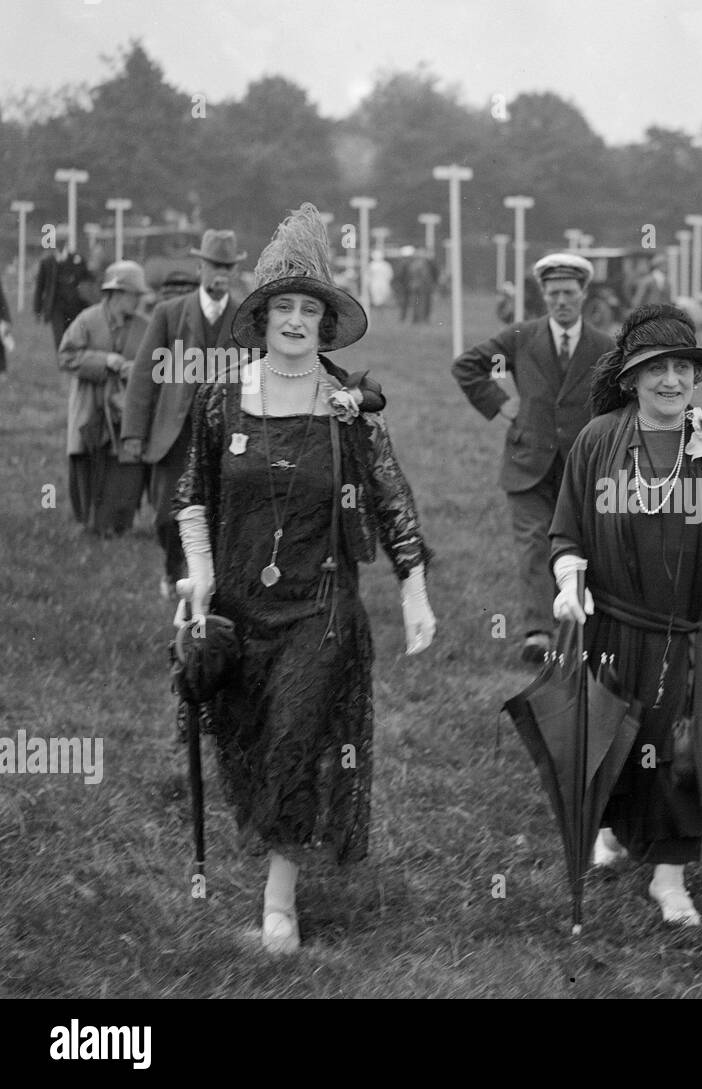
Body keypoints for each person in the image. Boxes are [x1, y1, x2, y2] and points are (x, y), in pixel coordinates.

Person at [172, 204, 436, 956]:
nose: (295, 320)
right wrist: (199, 579)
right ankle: (276, 848)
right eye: (283, 306)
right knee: (251, 740)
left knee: (294, 741)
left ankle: (278, 904)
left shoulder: (348, 409)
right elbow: (192, 499)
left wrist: (413, 589)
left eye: (308, 309)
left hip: (320, 607)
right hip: (240, 607)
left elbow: (391, 497)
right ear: (262, 318)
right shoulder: (223, 397)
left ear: (326, 324)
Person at [550, 304, 702, 927]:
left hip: (698, 632)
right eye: (656, 369)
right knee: (622, 744)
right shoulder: (598, 441)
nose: (670, 380)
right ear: (631, 378)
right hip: (619, 628)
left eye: (682, 368)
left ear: (695, 377)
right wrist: (570, 588)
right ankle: (615, 830)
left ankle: (669, 879)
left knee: (687, 752)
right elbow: (566, 534)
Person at [452, 253, 614, 663]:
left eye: (569, 293)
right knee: (533, 544)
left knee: (581, 545)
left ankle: (579, 626)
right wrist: (501, 405)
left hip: (581, 465)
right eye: (553, 293)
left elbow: (620, 397)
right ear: (543, 294)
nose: (561, 301)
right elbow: (467, 366)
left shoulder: (603, 345)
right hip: (527, 463)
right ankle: (538, 633)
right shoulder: (521, 336)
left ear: (583, 294)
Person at [122, 229, 246, 599]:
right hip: (173, 434)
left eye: (227, 266)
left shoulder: (244, 318)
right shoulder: (169, 313)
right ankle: (170, 566)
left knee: (216, 509)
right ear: (200, 267)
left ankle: (206, 578)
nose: (220, 274)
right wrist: (134, 432)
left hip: (223, 433)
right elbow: (144, 376)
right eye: (213, 266)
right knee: (165, 513)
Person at [57, 261, 150, 535]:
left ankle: (120, 525)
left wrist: (137, 369)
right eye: (135, 295)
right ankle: (89, 524)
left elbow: (158, 363)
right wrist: (104, 361)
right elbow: (66, 356)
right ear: (116, 293)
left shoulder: (145, 326)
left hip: (127, 410)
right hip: (91, 408)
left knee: (126, 467)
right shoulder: (86, 320)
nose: (138, 301)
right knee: (88, 461)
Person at [35, 239, 96, 352]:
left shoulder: (76, 259)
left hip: (74, 306)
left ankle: (74, 361)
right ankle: (63, 363)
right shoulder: (47, 262)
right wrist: (37, 309)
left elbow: (88, 277)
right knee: (59, 337)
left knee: (74, 335)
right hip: (56, 307)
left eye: (62, 241)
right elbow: (40, 287)